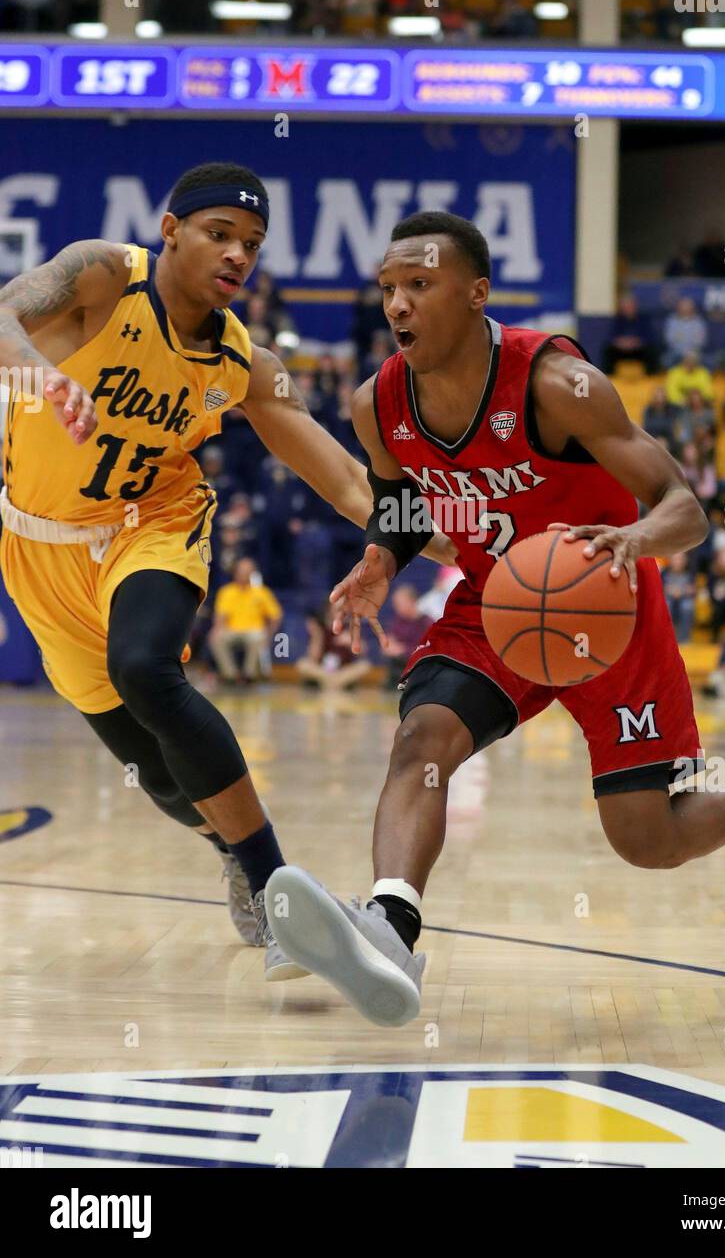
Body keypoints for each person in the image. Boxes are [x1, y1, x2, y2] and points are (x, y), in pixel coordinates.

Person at [263, 211, 725, 1028]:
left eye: (420, 286)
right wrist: (381, 558)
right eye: (389, 289)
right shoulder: (377, 404)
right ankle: (389, 928)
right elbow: (398, 505)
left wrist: (633, 538)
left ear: (477, 294)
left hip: (607, 604)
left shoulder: (556, 383)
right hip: (495, 603)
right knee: (421, 737)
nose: (398, 304)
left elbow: (686, 507)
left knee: (646, 839)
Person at [0, 162, 454, 983]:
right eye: (220, 234)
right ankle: (230, 843)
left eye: (252, 244)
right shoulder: (101, 277)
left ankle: (278, 894)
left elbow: (352, 484)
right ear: (170, 230)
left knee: (145, 667)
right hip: (39, 548)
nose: (238, 255)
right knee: (164, 782)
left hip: (155, 524)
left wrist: (459, 541)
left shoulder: (247, 364)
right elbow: (3, 312)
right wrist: (34, 370)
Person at [210, 557, 282, 684]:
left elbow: (276, 617)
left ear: (252, 573)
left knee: (258, 637)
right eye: (241, 571)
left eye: (247, 571)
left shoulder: (262, 592)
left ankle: (249, 676)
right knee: (216, 638)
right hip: (231, 630)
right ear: (235, 572)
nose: (244, 574)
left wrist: (269, 635)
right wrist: (216, 630)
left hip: (254, 631)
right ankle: (230, 676)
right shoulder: (226, 592)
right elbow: (220, 617)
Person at [296, 601, 371, 690]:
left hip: (343, 671)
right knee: (302, 664)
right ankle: (332, 682)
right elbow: (313, 657)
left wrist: (351, 641)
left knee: (364, 666)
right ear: (329, 609)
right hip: (322, 670)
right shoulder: (320, 628)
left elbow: (364, 651)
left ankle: (331, 682)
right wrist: (317, 636)